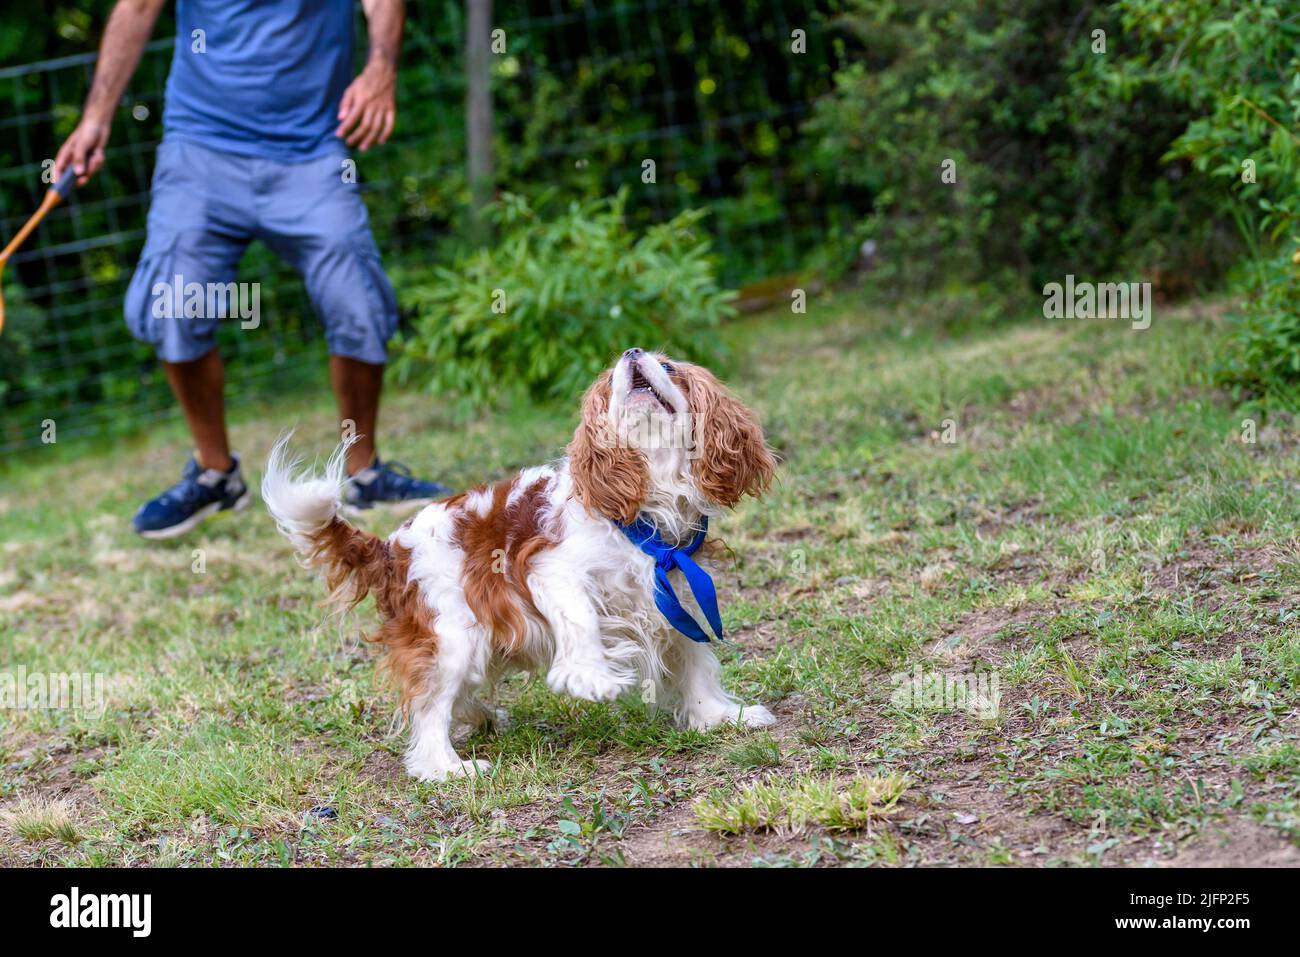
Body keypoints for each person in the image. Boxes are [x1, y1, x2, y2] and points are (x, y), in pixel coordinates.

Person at [53, 0, 449, 539]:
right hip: (201, 150)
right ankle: (216, 474)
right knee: (176, 303)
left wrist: (381, 69)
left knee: (357, 297)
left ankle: (365, 472)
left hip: (312, 151)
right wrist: (96, 117)